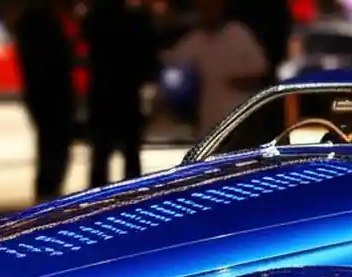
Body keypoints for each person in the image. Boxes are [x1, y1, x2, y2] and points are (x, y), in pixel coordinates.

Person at [162, 0, 268, 135]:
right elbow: (171, 64)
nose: (209, 9)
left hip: (241, 123)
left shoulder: (238, 33)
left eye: (213, 4)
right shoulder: (194, 39)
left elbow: (261, 69)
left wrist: (233, 79)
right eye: (204, 6)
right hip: (210, 126)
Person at [83, 0, 158, 188]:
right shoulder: (136, 22)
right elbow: (148, 60)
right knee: (130, 154)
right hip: (127, 95)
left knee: (101, 155)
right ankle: (133, 195)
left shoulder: (95, 20)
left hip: (103, 95)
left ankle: (97, 198)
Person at [14, 0, 77, 202]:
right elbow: (60, 60)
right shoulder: (46, 26)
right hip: (53, 94)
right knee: (55, 147)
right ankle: (49, 193)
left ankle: (46, 193)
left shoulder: (28, 25)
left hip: (40, 94)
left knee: (48, 145)